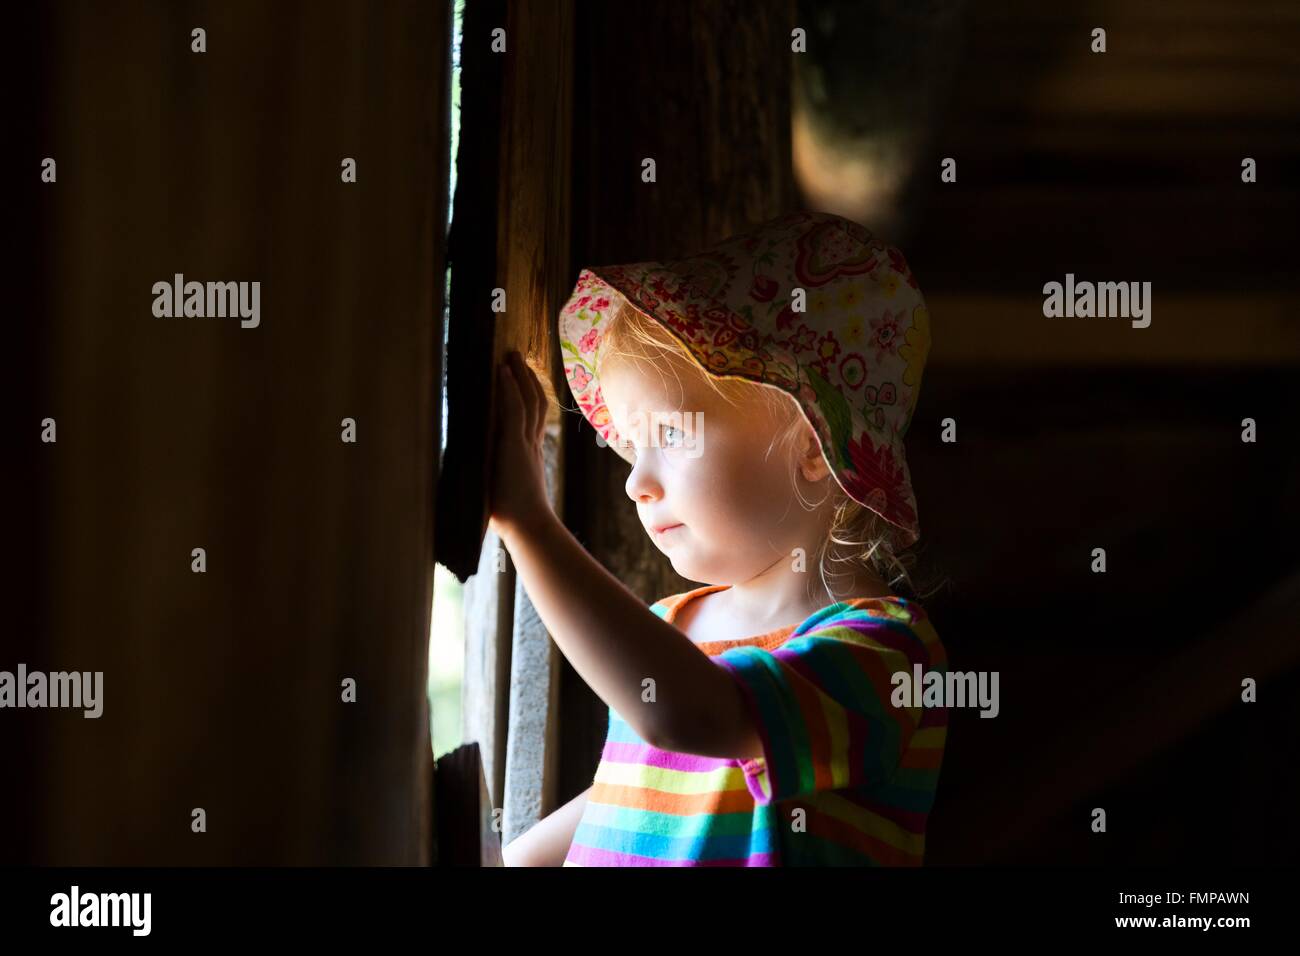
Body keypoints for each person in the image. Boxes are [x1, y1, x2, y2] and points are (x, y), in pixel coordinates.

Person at [491, 210, 947, 866]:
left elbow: (699, 718)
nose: (636, 483)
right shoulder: (670, 629)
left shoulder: (886, 660)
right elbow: (626, 798)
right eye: (632, 446)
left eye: (671, 435)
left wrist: (529, 526)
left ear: (812, 443)